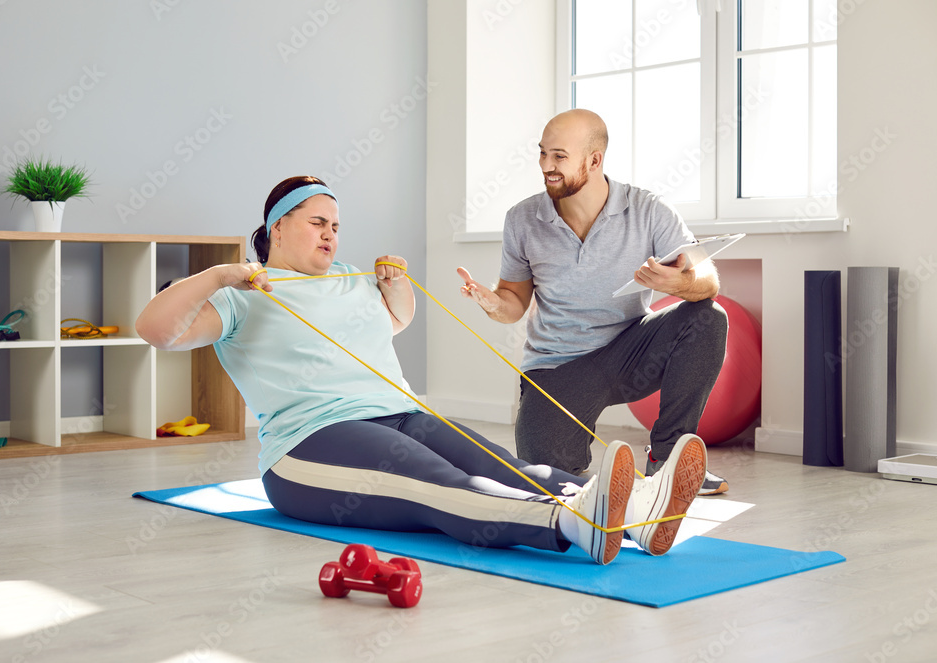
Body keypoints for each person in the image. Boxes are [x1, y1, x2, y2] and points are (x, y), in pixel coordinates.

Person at [135, 175, 708, 565]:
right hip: (310, 445)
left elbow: (394, 322)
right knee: (442, 488)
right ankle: (573, 525)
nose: (331, 233)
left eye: (335, 224)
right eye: (316, 223)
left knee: (509, 466)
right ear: (277, 227)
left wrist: (392, 283)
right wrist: (215, 277)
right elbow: (156, 331)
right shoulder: (244, 294)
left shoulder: (351, 275)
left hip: (402, 412)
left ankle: (636, 511)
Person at [458, 109, 730, 497]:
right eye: (542, 154)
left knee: (707, 317)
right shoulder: (522, 219)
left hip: (631, 352)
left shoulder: (648, 209)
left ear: (594, 160)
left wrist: (681, 281)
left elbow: (708, 281)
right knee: (546, 478)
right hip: (559, 365)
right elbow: (514, 303)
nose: (546, 166)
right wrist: (492, 303)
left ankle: (669, 460)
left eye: (558, 156)